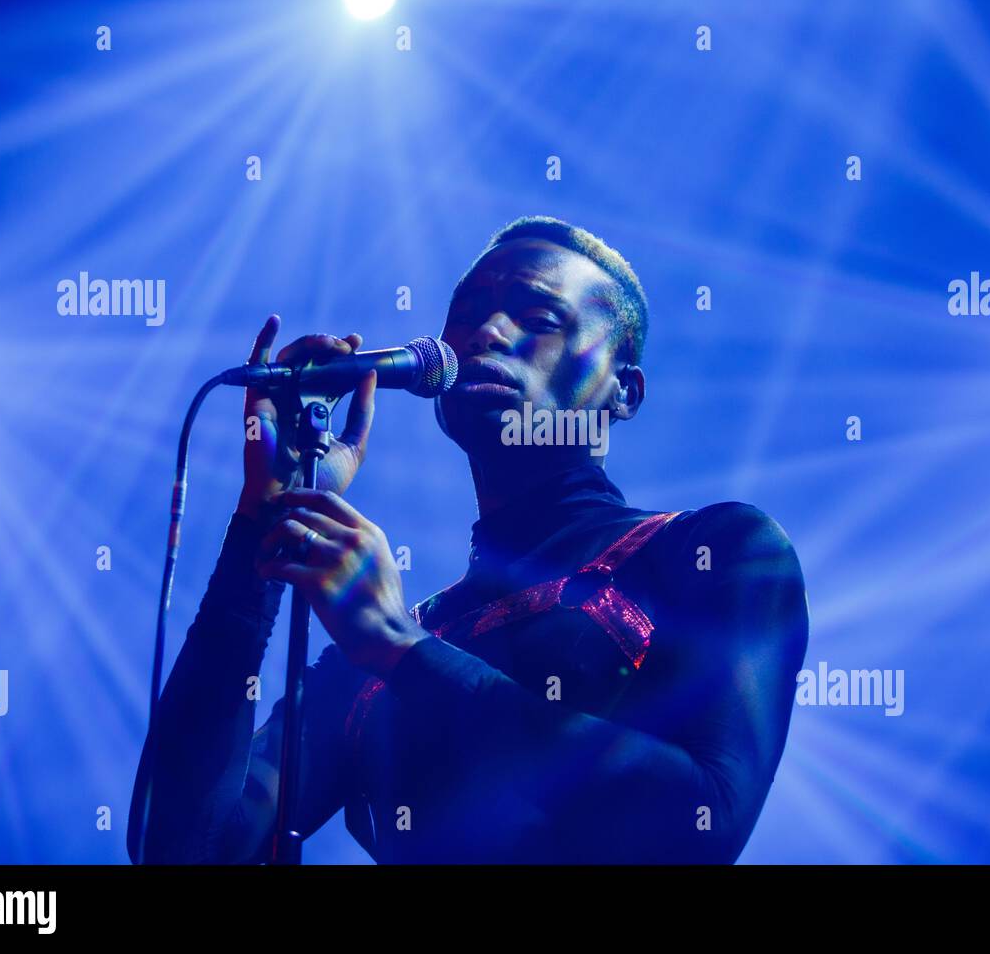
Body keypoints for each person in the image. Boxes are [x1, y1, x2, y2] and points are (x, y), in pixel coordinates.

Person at [127, 215, 809, 864]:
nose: (485, 330)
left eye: (538, 318)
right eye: (467, 313)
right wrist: (262, 525)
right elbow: (182, 850)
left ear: (622, 391)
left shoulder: (718, 550)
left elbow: (704, 819)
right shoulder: (368, 651)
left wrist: (407, 653)